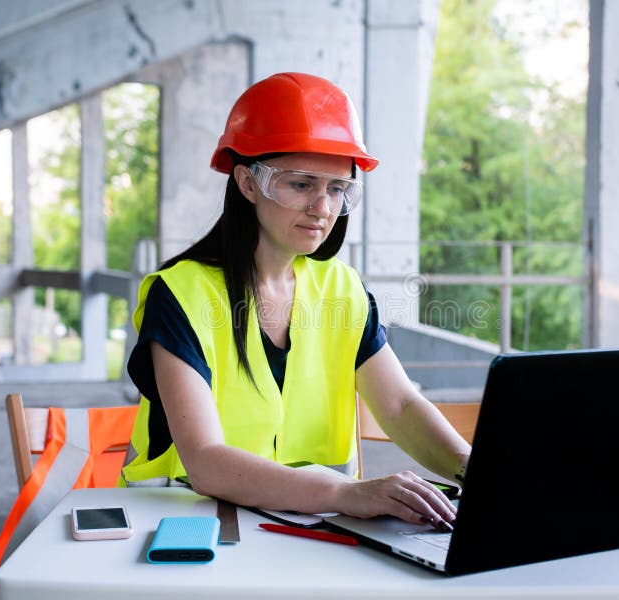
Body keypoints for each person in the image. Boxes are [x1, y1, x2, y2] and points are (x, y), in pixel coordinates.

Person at [120, 72, 471, 530]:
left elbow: (401, 407)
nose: (322, 207)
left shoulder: (342, 291)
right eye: (302, 184)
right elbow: (204, 459)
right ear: (248, 184)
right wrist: (346, 493)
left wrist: (477, 470)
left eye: (337, 189)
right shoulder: (180, 294)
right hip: (187, 530)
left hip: (313, 534)